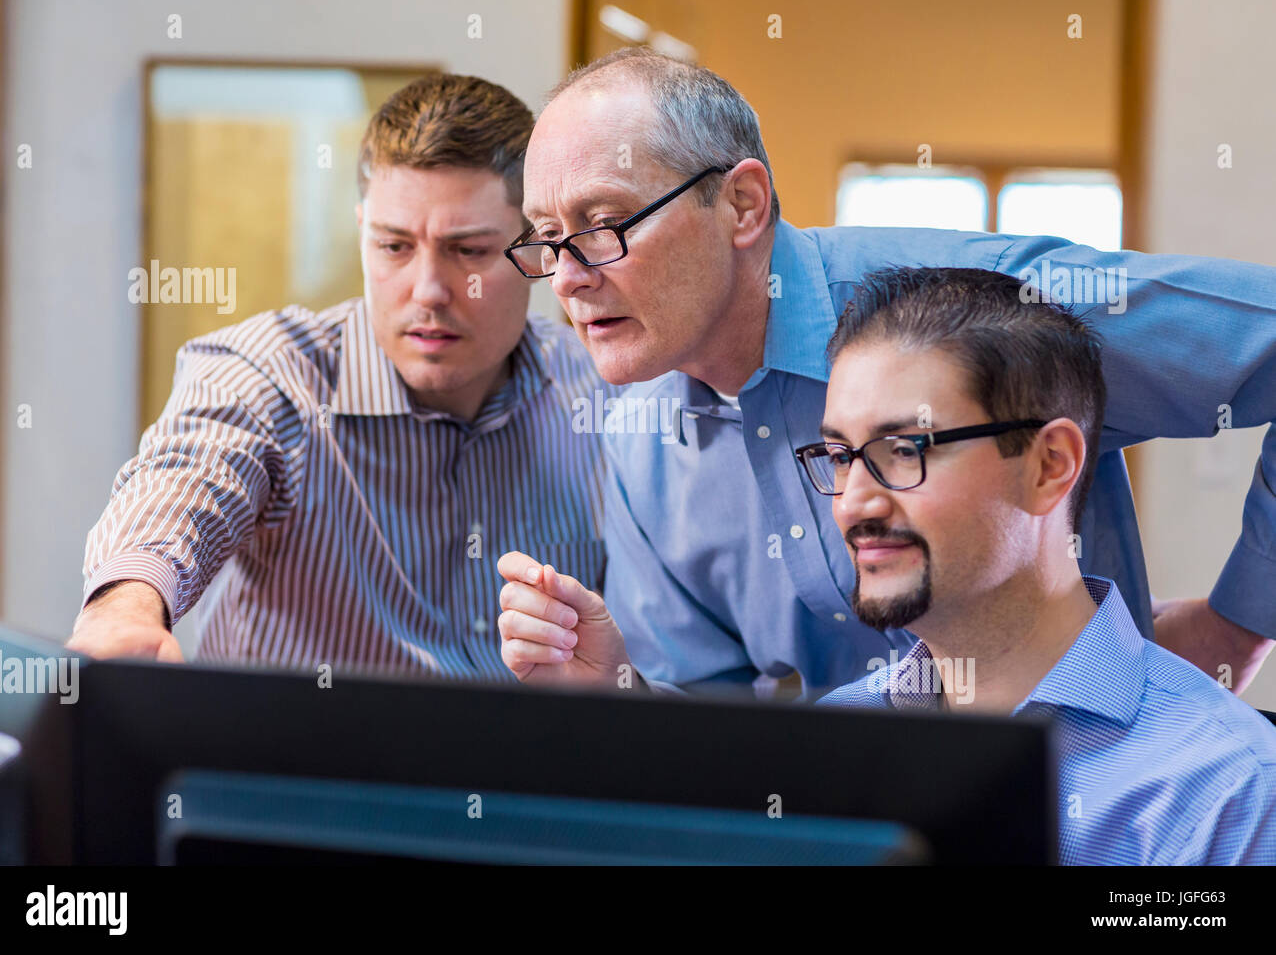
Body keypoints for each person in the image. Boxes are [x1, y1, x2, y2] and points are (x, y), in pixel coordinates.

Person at [497, 46, 1276, 699]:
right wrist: (617, 692)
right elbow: (718, 718)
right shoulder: (638, 434)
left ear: (741, 204)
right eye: (545, 238)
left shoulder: (986, 307)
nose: (566, 277)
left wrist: (1240, 621)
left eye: (602, 226)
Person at [70, 74, 607, 677]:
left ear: (537, 248)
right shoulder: (272, 372)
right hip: (295, 769)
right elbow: (188, 476)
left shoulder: (602, 389)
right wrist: (126, 607)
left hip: (522, 770)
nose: (427, 291)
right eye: (394, 247)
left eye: (469, 250)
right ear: (362, 232)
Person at [813, 267, 1276, 865]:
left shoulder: (1227, 787)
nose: (853, 503)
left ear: (1049, 465)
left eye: (905, 451)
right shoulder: (836, 735)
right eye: (839, 457)